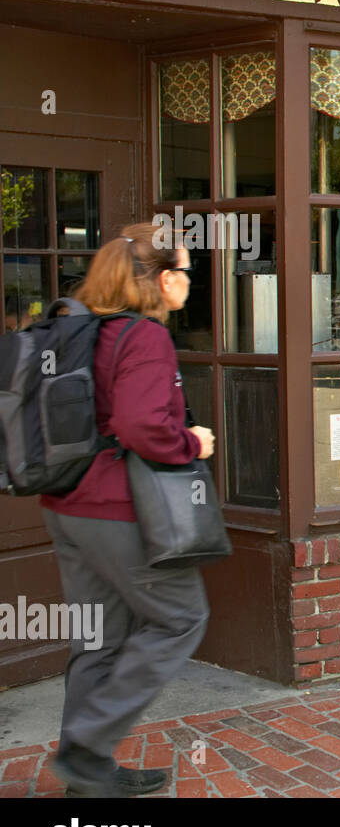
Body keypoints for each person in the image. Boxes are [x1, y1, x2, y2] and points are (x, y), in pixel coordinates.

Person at [40, 222, 215, 798]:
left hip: (68, 506)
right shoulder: (143, 337)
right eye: (186, 271)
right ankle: (87, 746)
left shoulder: (78, 328)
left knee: (98, 640)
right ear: (164, 279)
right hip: (119, 510)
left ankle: (87, 778)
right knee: (180, 618)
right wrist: (192, 442)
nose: (190, 281)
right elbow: (141, 426)